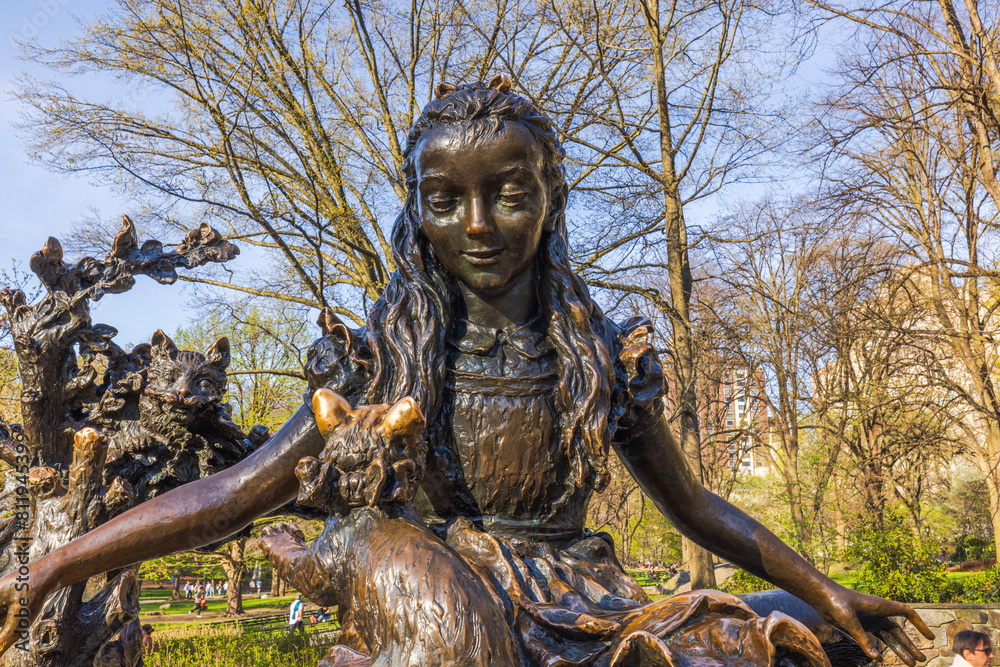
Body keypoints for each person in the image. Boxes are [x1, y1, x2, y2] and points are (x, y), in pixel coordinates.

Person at [0, 77, 932, 666]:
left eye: (508, 193)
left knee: (802, 640)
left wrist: (827, 591)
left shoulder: (604, 360)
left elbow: (699, 511)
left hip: (578, 598)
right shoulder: (379, 360)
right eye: (447, 200)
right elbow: (232, 494)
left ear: (550, 199)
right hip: (437, 569)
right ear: (419, 214)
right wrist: (52, 566)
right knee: (453, 636)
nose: (478, 225)